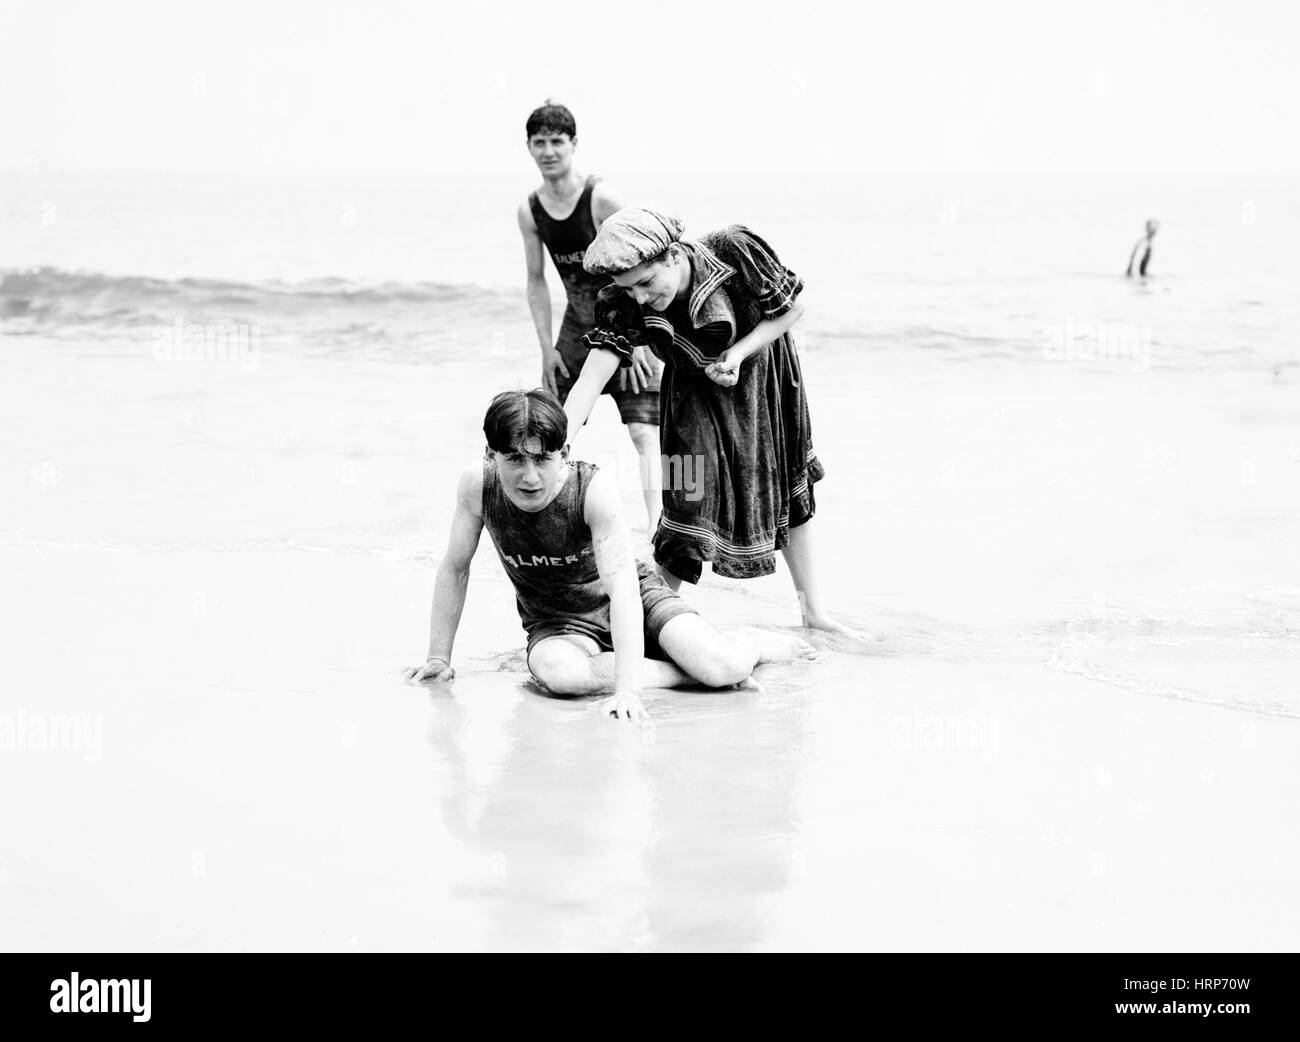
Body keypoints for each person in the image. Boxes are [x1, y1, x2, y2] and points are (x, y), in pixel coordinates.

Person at [404, 389, 816, 722]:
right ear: (491, 455)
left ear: (563, 453)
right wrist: (438, 658)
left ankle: (749, 646)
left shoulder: (591, 491)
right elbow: (455, 569)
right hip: (558, 624)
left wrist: (627, 692)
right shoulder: (478, 485)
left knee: (724, 667)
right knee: (561, 677)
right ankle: (690, 673)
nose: (529, 476)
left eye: (542, 459)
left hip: (637, 601)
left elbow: (622, 591)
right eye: (514, 459)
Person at [560, 208, 858, 638]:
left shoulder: (734, 248)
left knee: (790, 486)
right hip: (690, 396)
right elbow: (592, 376)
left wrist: (738, 353)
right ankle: (647, 621)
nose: (640, 299)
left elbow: (791, 309)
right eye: (630, 290)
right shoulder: (625, 301)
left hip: (764, 383)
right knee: (686, 496)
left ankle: (814, 612)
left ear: (674, 256)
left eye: (646, 283)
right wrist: (561, 438)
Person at [516, 102, 662, 531]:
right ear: (528, 147)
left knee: (644, 433)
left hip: (627, 326)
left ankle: (659, 532)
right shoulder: (530, 211)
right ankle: (551, 522)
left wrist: (639, 341)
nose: (548, 151)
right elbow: (536, 280)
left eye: (557, 142)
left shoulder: (601, 198)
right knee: (548, 431)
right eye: (539, 142)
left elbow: (638, 268)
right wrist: (546, 349)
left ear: (573, 144)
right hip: (577, 330)